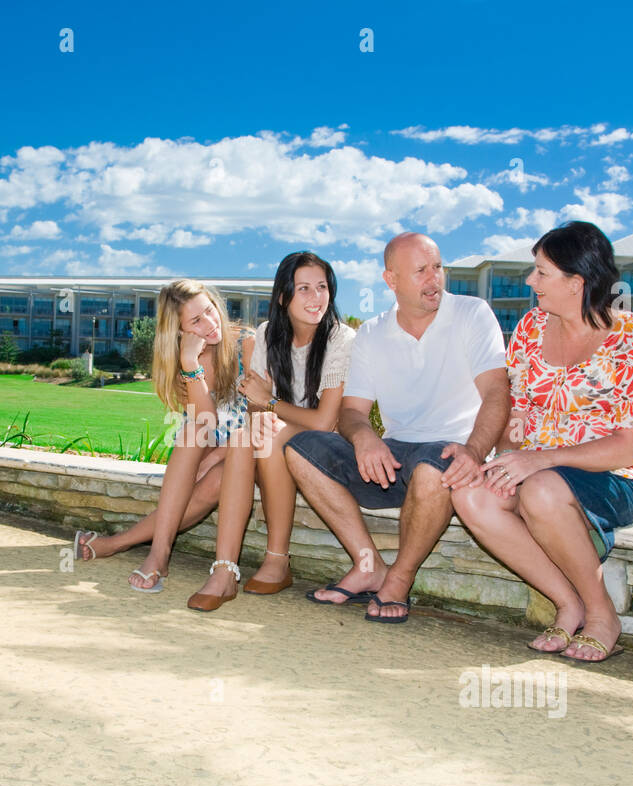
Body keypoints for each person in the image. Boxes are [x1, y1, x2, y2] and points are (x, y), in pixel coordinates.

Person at [450, 220, 633, 663]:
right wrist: (509, 454)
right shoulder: (529, 328)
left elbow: (625, 447)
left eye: (542, 272)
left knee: (542, 490)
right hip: (536, 468)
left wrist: (537, 461)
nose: (531, 281)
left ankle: (602, 615)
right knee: (471, 495)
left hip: (613, 478)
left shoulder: (630, 338)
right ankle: (568, 603)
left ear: (577, 282)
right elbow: (514, 414)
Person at [284, 232, 510, 623]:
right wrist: (366, 439)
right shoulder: (372, 332)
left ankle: (399, 579)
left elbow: (496, 393)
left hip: (449, 455)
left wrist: (474, 451)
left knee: (429, 468)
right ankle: (367, 564)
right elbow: (353, 412)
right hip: (391, 458)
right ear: (391, 280)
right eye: (421, 271)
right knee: (301, 448)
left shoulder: (472, 314)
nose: (434, 279)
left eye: (438, 268)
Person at [73, 279, 257, 612]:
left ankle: (121, 545)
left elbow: (257, 422)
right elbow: (205, 422)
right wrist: (190, 363)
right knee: (190, 437)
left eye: (209, 311)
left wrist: (215, 454)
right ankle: (158, 554)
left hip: (252, 449)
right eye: (196, 322)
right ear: (180, 332)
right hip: (210, 442)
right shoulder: (184, 360)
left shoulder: (247, 343)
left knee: (214, 476)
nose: (210, 324)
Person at [235, 251, 355, 594]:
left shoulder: (339, 339)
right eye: (303, 288)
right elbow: (255, 406)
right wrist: (264, 411)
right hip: (283, 433)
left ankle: (277, 560)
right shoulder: (268, 334)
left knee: (267, 438)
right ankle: (223, 565)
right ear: (283, 295)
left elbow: (323, 420)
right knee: (245, 440)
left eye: (322, 287)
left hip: (332, 441)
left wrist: (271, 404)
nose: (316, 297)